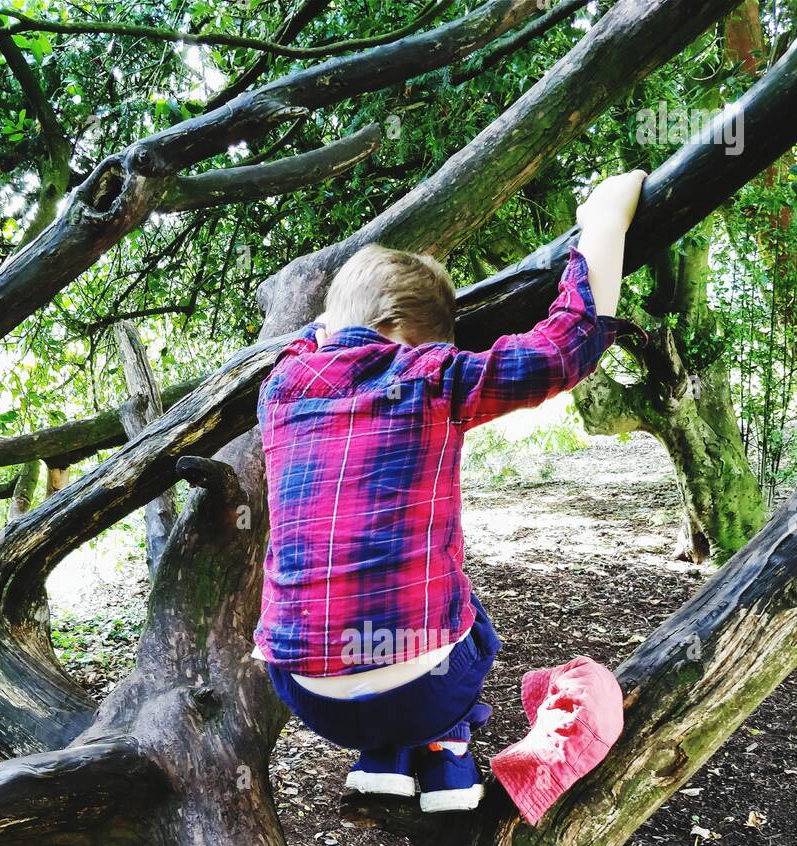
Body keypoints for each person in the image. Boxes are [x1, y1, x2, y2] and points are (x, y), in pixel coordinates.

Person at [252, 170, 647, 811]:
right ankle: (450, 755)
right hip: (422, 687)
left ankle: (383, 760)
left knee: (384, 604)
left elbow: (318, 333)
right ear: (415, 336)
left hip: (304, 691)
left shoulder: (281, 385)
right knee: (468, 620)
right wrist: (604, 221)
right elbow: (567, 347)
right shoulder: (431, 376)